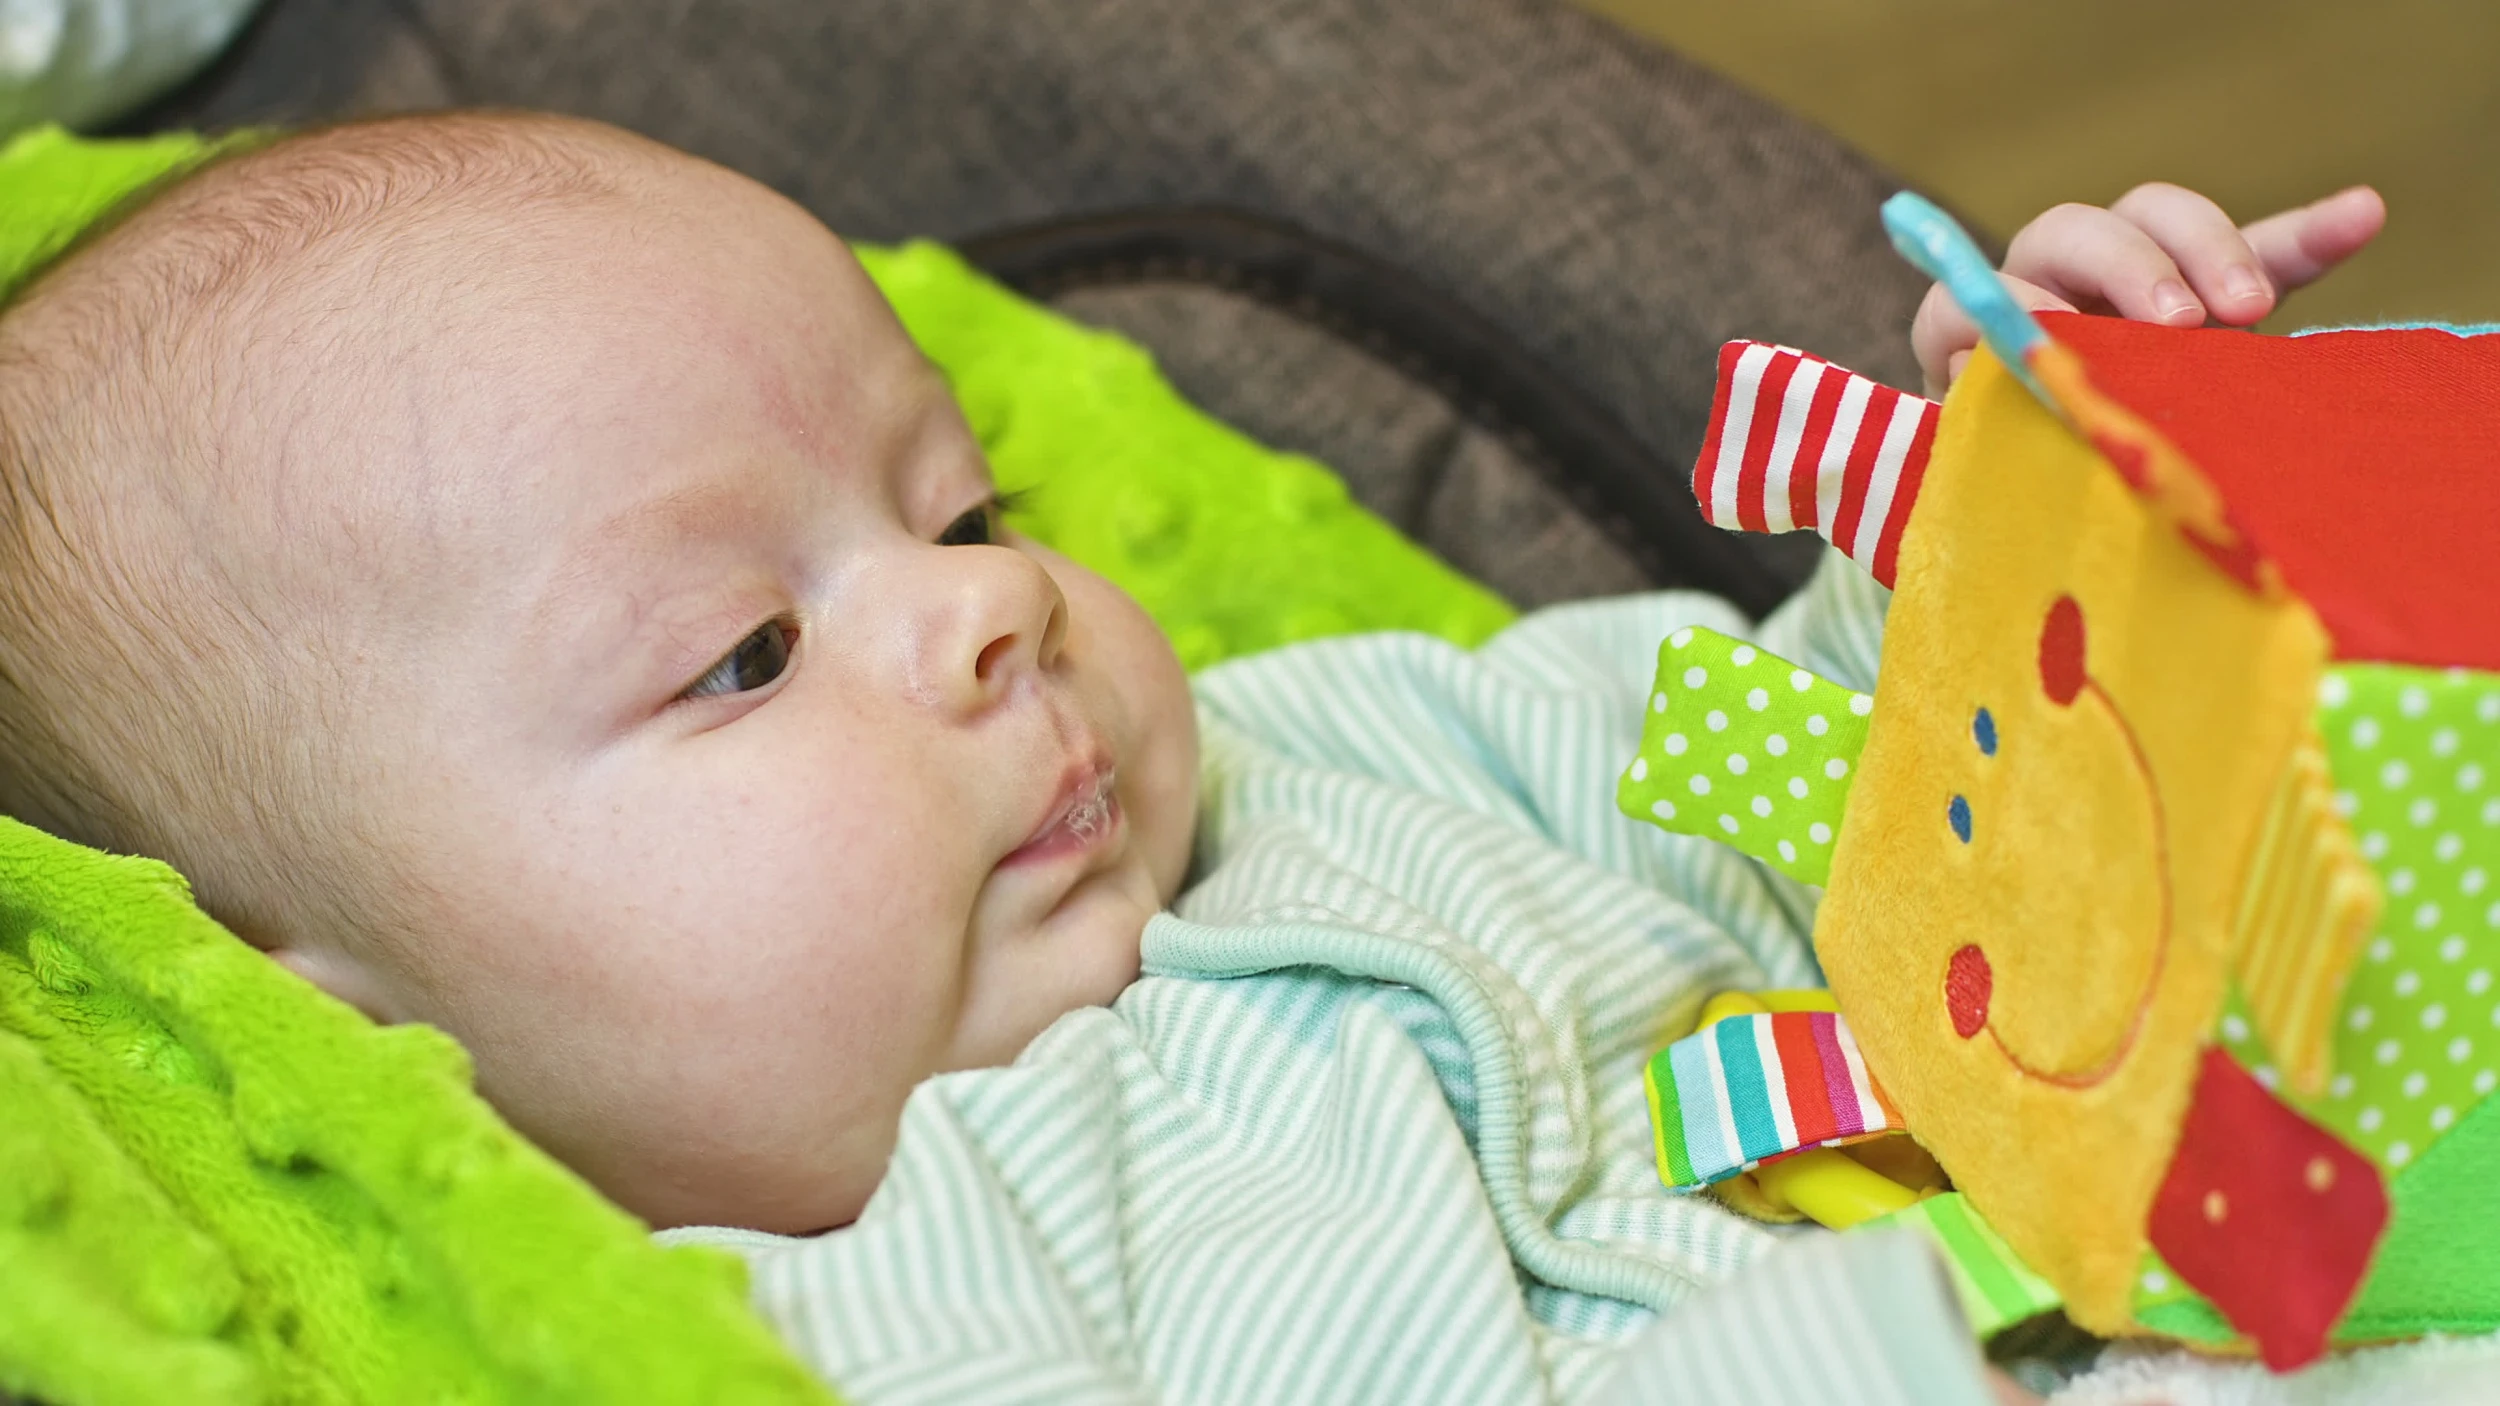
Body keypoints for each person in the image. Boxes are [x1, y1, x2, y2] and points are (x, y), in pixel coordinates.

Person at [0, 110, 2383, 1401]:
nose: (980, 602)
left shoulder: (1313, 755)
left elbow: (1862, 789)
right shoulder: (881, 1326)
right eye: (739, 651)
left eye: (964, 505)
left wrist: (2040, 499)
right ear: (346, 999)